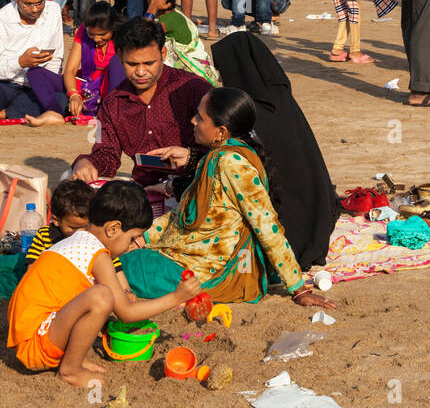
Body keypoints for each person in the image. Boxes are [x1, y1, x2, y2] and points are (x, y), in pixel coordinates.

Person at [119, 86, 334, 310]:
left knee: (114, 268)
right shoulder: (213, 158)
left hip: (203, 271)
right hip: (182, 253)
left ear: (220, 132)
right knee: (115, 261)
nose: (193, 121)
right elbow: (183, 212)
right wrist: (141, 240)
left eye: (200, 118)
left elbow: (267, 226)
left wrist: (298, 288)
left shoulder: (231, 163)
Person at [7, 180, 205, 386]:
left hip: (32, 333)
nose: (129, 247)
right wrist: (176, 297)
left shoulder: (77, 241)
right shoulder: (98, 255)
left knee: (97, 299)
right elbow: (127, 313)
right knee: (101, 296)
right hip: (34, 346)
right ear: (113, 228)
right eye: (132, 238)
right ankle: (70, 371)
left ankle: (72, 359)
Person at [211, 33, 344, 267]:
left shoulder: (252, 116)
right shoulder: (280, 99)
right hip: (317, 220)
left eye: (223, 69)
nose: (221, 78)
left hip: (288, 234)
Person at [70, 17, 213, 195]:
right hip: (144, 194)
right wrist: (86, 163)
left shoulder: (194, 89)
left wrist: (191, 158)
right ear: (120, 56)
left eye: (148, 63)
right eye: (132, 64)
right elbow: (106, 154)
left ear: (163, 54)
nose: (140, 72)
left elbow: (226, 147)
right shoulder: (112, 104)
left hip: (196, 189)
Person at [25, 1, 125, 127]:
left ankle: (111, 112)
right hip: (85, 86)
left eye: (102, 35)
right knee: (35, 72)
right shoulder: (83, 31)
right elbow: (70, 70)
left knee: (117, 63)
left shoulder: (123, 35)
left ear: (113, 28)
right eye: (91, 34)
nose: (96, 39)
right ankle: (54, 112)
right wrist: (74, 95)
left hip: (109, 88)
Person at [144, 0, 221, 85]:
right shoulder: (172, 14)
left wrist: (152, 8)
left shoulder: (168, 20)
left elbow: (142, 35)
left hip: (190, 79)